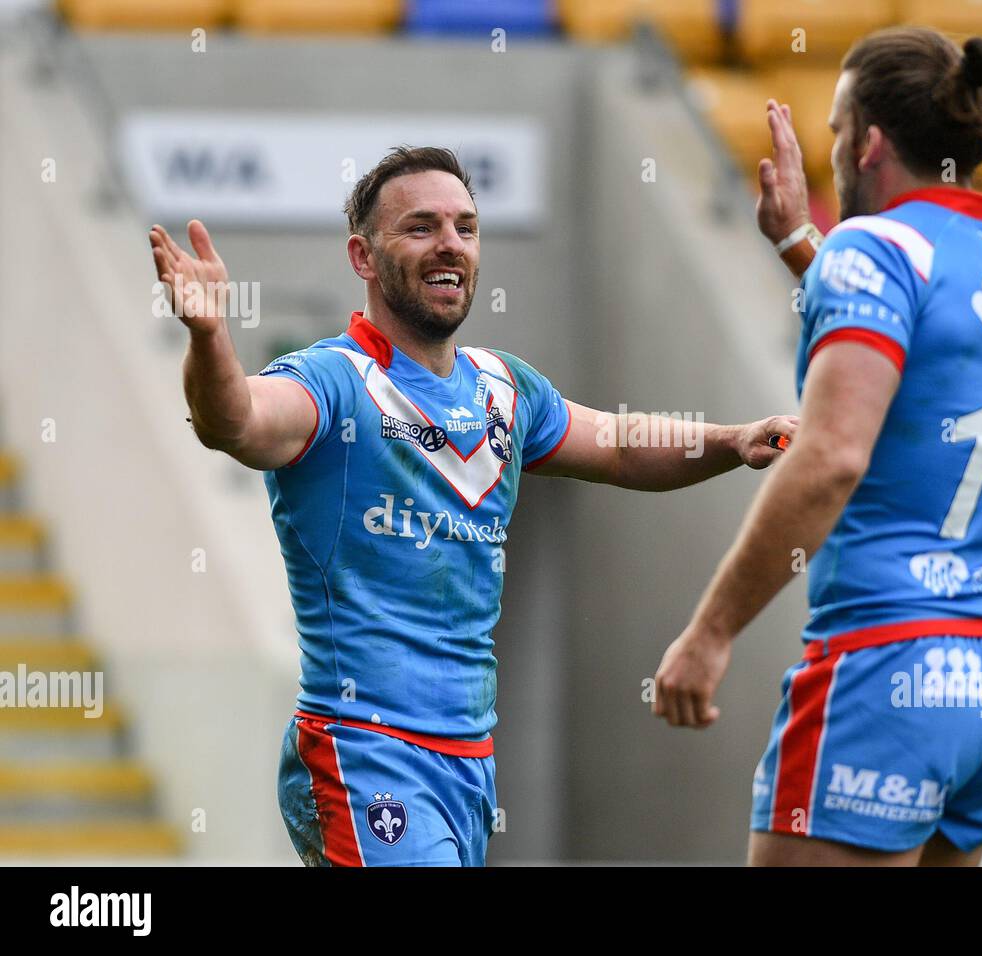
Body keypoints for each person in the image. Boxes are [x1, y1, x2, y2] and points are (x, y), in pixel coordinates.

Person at [149, 145, 795, 867]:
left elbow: (617, 444)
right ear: (363, 256)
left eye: (465, 225)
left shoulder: (502, 388)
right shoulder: (332, 380)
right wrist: (210, 340)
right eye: (421, 227)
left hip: (467, 761)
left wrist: (732, 440)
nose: (450, 243)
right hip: (362, 751)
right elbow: (232, 421)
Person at [652, 27, 982, 866]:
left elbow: (833, 456)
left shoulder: (870, 250)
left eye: (839, 131)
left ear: (870, 141)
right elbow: (931, 352)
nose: (833, 152)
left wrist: (710, 632)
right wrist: (795, 245)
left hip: (888, 669)